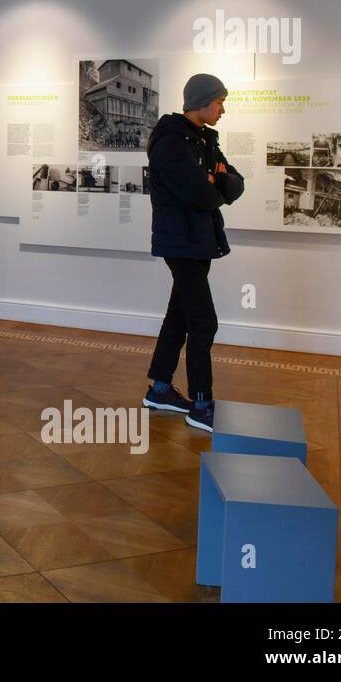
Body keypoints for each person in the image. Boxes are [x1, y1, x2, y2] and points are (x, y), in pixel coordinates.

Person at [142, 73, 244, 432]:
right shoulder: (171, 140)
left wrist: (217, 182)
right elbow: (200, 193)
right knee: (203, 320)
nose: (223, 109)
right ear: (202, 101)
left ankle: (160, 387)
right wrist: (214, 184)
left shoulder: (203, 139)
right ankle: (202, 406)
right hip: (181, 241)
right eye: (219, 102)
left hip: (197, 239)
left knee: (181, 315)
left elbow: (235, 182)